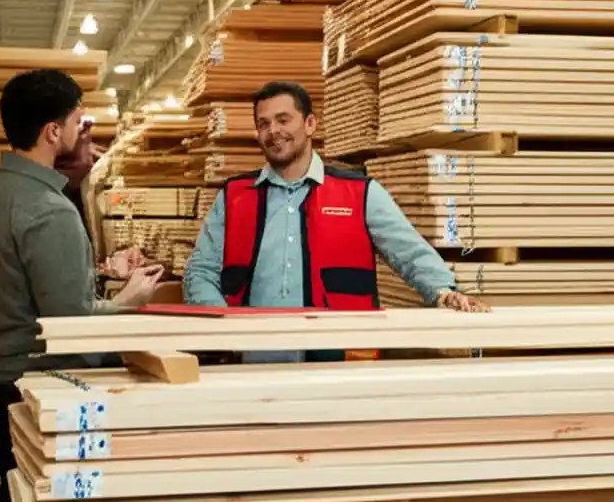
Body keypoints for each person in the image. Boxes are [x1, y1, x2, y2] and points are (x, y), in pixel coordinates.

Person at [0, 69, 163, 502]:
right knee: (33, 498)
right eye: (79, 119)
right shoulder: (47, 210)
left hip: (2, 370)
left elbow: (35, 288)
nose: (85, 129)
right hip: (38, 376)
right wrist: (130, 299)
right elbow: (70, 320)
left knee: (13, 488)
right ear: (53, 130)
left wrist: (97, 275)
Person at [184, 80, 488, 363]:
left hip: (342, 364)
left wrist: (443, 291)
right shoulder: (234, 196)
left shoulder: (360, 192)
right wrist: (224, 329)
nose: (273, 131)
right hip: (250, 364)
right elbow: (200, 271)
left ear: (310, 123)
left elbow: (409, 252)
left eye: (283, 119)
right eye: (263, 124)